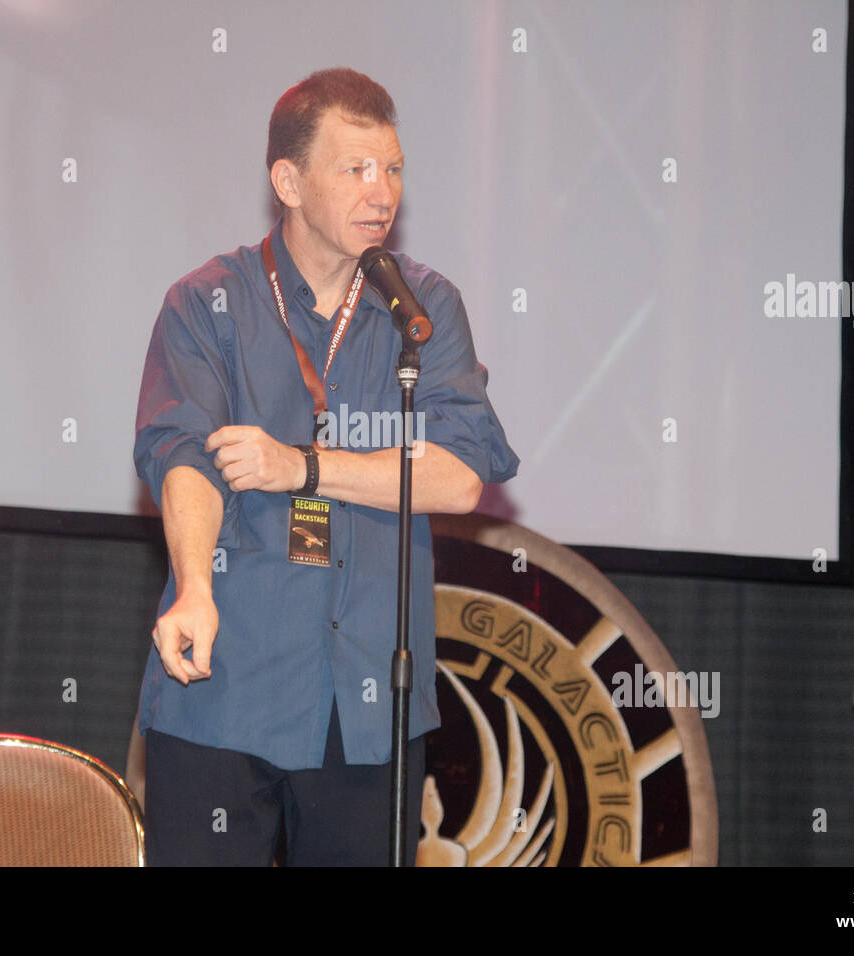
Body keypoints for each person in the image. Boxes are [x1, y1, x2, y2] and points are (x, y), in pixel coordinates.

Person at [133, 66, 518, 866]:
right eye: (356, 169)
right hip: (225, 687)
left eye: (395, 169)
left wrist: (303, 468)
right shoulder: (209, 304)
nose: (383, 191)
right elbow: (184, 459)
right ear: (289, 180)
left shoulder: (424, 310)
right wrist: (195, 591)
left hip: (369, 707)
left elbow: (457, 476)